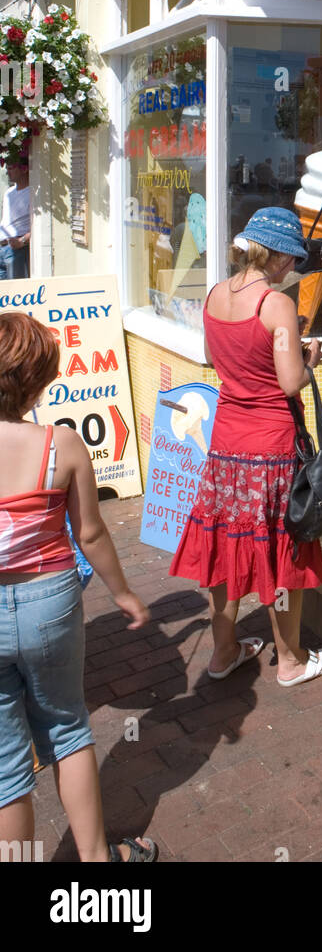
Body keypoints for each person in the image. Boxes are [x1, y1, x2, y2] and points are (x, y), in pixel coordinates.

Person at [0, 313, 156, 863]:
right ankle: (96, 865)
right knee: (67, 727)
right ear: (35, 380)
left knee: (4, 763)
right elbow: (90, 534)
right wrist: (123, 593)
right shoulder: (61, 444)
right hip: (50, 602)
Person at [170, 208, 322, 688]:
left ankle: (223, 652)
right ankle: (289, 660)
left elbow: (212, 356)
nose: (293, 268)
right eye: (293, 259)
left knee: (227, 547)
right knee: (282, 550)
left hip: (226, 444)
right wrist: (307, 359)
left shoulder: (215, 295)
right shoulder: (275, 304)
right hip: (270, 447)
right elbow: (289, 382)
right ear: (280, 255)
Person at [0, 162, 31, 280]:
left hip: (16, 250)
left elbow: (38, 226)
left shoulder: (32, 192)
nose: (8, 171)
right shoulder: (8, 192)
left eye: (11, 167)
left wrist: (22, 241)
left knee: (17, 291)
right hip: (2, 248)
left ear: (24, 169)